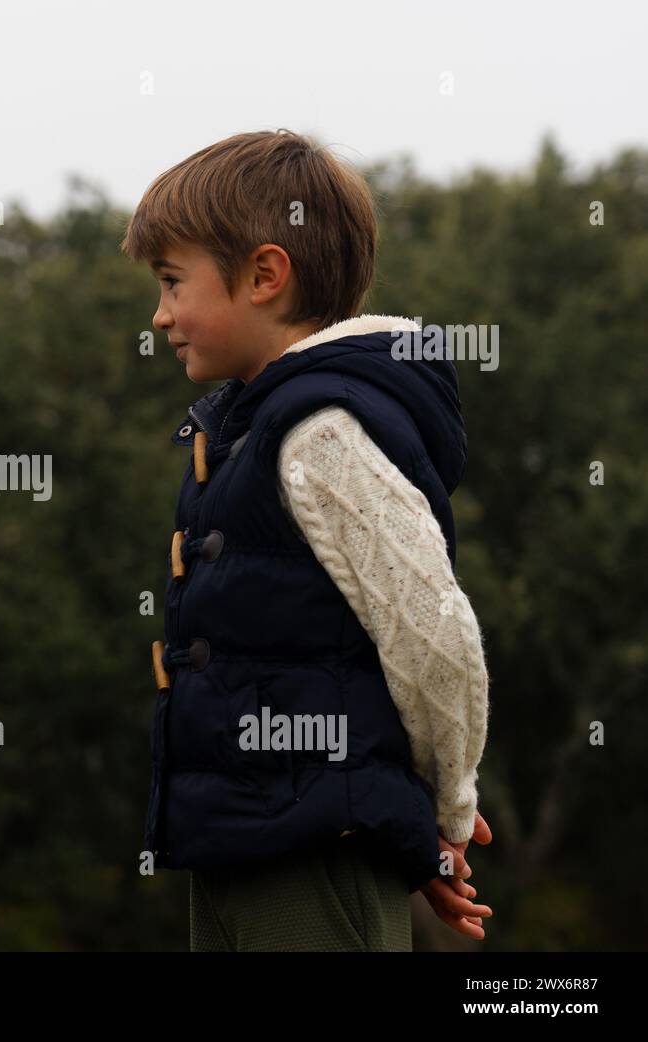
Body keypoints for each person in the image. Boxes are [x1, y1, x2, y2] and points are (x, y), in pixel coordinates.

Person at [121, 130, 493, 951]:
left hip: (309, 854)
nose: (161, 315)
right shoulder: (251, 430)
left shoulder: (321, 432)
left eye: (173, 282)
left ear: (263, 276)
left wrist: (444, 811)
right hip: (247, 844)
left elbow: (432, 636)